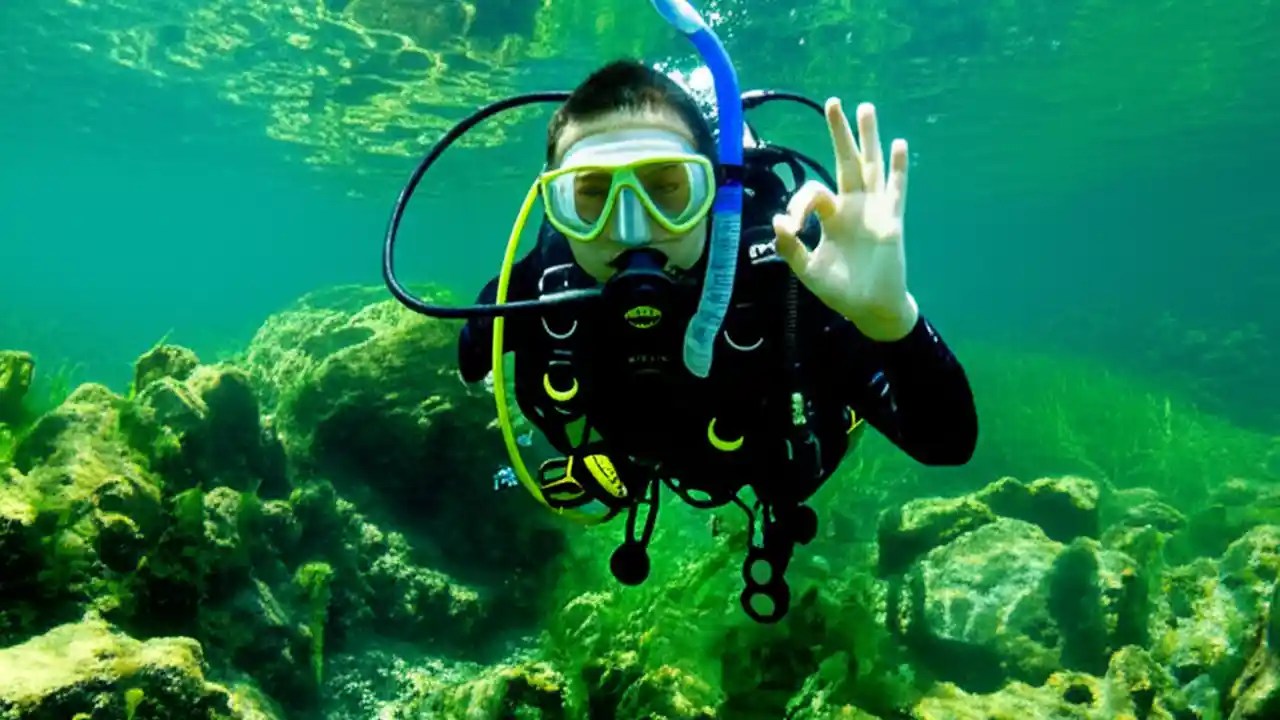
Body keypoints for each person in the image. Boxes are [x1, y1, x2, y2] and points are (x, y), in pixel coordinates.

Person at [440, 59, 979, 622]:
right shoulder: (541, 290)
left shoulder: (787, 282)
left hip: (767, 461)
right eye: (592, 196)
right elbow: (470, 358)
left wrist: (893, 322)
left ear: (717, 195)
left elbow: (947, 442)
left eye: (669, 190)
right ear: (558, 208)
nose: (631, 229)